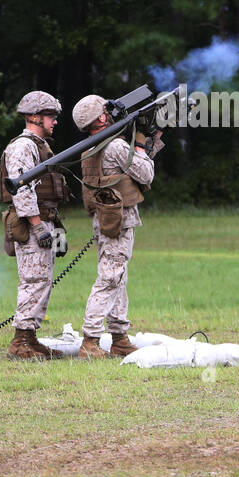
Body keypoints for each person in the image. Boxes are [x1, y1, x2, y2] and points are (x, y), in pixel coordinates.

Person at [70, 94, 164, 359]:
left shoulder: (91, 147)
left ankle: (120, 338)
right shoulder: (114, 146)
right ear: (101, 118)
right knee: (110, 278)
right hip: (118, 220)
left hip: (105, 219)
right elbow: (146, 174)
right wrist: (142, 146)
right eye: (106, 111)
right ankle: (90, 341)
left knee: (117, 277)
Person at [0, 91, 70, 360]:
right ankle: (21, 342)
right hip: (31, 224)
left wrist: (54, 228)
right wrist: (38, 225)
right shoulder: (23, 147)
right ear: (33, 116)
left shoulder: (39, 145)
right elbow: (21, 188)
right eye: (50, 116)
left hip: (44, 220)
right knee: (33, 280)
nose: (55, 122)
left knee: (42, 280)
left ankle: (30, 338)